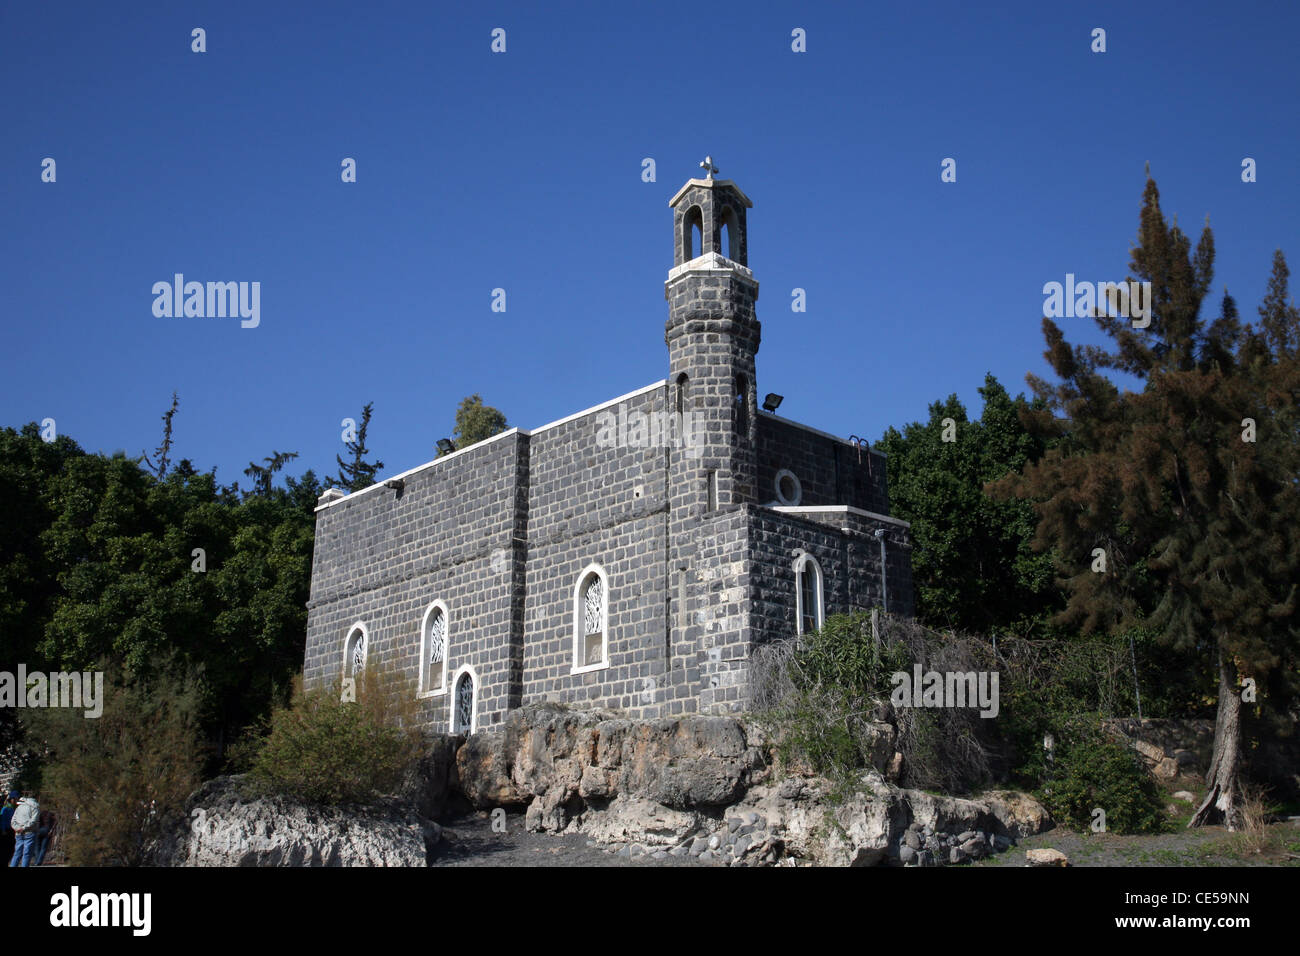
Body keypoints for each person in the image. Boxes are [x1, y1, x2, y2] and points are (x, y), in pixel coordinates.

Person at [8, 793, 40, 868]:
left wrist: (17, 828)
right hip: (30, 832)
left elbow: (13, 820)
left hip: (18, 832)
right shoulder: (35, 807)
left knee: (17, 853)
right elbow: (33, 821)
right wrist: (24, 828)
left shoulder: (19, 807)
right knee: (27, 854)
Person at [0, 792, 16, 866]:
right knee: (6, 848)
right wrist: (3, 830)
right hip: (6, 830)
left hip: (11, 829)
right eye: (14, 799)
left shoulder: (12, 808)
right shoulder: (5, 808)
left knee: (10, 848)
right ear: (10, 799)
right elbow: (3, 819)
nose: (15, 800)